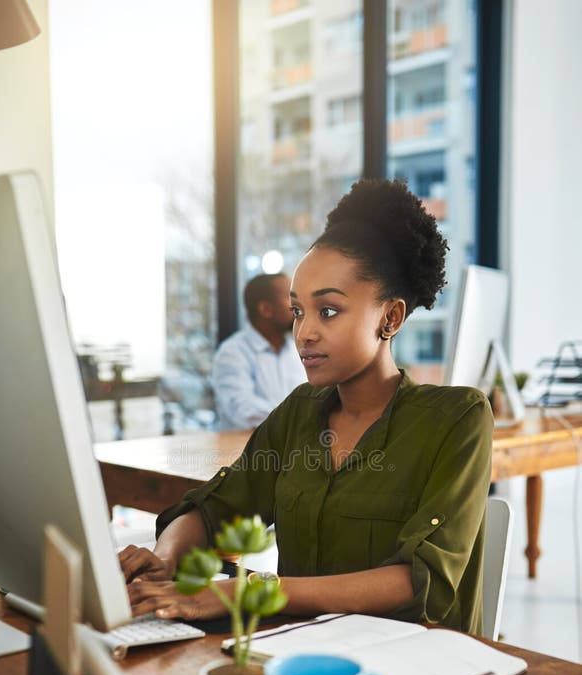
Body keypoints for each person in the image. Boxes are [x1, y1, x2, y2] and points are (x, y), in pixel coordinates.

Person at [120, 179, 493, 634]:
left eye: (328, 311)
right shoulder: (300, 411)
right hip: (297, 655)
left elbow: (419, 581)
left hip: (413, 669)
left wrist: (248, 590)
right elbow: (215, 509)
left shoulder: (457, 418)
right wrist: (164, 559)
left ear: (390, 318)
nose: (304, 333)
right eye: (298, 312)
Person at [212, 272, 304, 429]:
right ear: (266, 309)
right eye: (290, 298)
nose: (298, 306)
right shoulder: (233, 352)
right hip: (249, 450)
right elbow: (243, 411)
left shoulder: (298, 348)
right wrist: (301, 417)